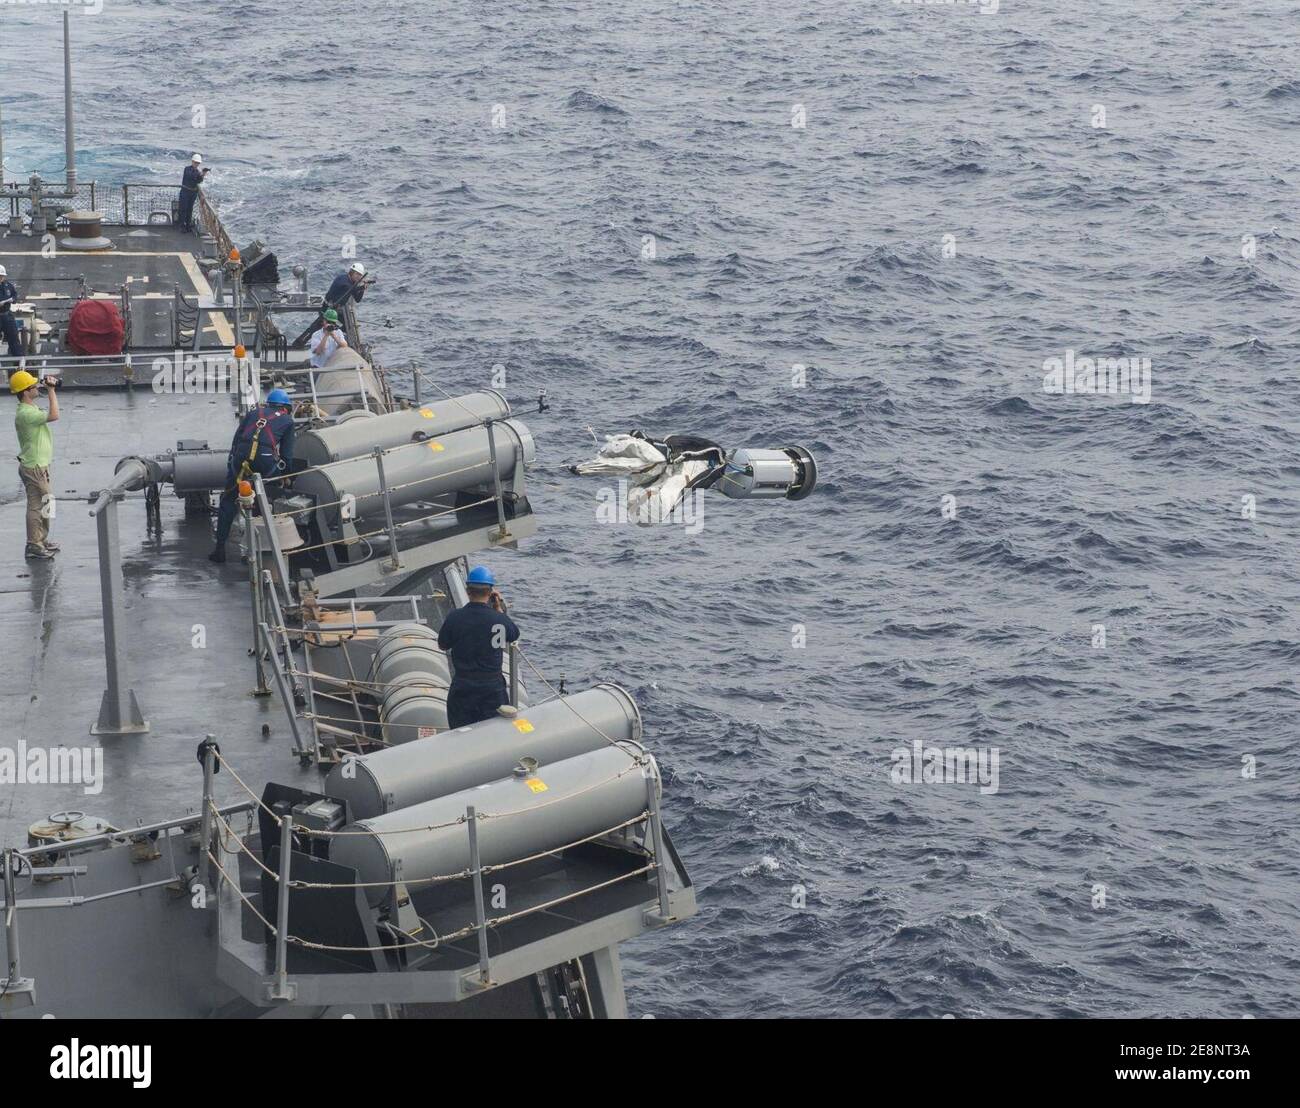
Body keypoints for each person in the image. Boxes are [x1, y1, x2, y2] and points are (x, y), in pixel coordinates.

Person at [209, 388, 295, 563]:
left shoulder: (253, 413)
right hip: (264, 463)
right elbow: (286, 456)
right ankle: (254, 552)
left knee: (228, 500)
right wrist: (287, 477)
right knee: (262, 501)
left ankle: (219, 550)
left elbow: (236, 440)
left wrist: (231, 465)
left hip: (239, 460)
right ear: (286, 407)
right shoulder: (287, 420)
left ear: (269, 404)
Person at [438, 566, 521, 729]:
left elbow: (442, 644)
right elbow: (514, 634)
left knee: (460, 733)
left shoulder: (455, 617)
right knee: (494, 733)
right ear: (490, 593)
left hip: (463, 687)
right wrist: (499, 610)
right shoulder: (499, 619)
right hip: (493, 689)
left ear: (468, 591)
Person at [10, 369, 60, 560]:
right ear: (25, 391)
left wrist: (48, 389)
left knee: (48, 501)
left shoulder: (30, 409)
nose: (37, 387)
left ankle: (41, 540)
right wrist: (52, 391)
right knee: (36, 505)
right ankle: (33, 544)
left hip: (40, 465)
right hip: (34, 467)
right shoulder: (25, 413)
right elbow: (55, 415)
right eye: (34, 386)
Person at [291, 262, 370, 348]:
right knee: (314, 328)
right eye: (357, 274)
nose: (358, 277)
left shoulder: (352, 283)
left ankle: (333, 336)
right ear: (351, 272)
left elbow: (357, 299)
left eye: (360, 275)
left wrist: (363, 288)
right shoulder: (343, 280)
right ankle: (297, 344)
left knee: (349, 326)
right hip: (328, 309)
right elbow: (349, 288)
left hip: (337, 310)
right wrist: (360, 287)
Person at [178, 154, 210, 232]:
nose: (197, 164)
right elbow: (190, 176)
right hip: (185, 192)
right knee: (183, 209)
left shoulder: (197, 172)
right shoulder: (187, 169)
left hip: (192, 193)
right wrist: (200, 174)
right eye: (195, 162)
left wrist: (202, 175)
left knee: (190, 209)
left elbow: (199, 181)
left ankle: (188, 226)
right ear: (192, 161)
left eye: (198, 163)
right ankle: (182, 226)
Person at [0, 265, 22, 359]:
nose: (1, 278)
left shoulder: (8, 285)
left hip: (6, 315)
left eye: (2, 276)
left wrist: (11, 299)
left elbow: (14, 295)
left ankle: (18, 362)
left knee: (14, 338)